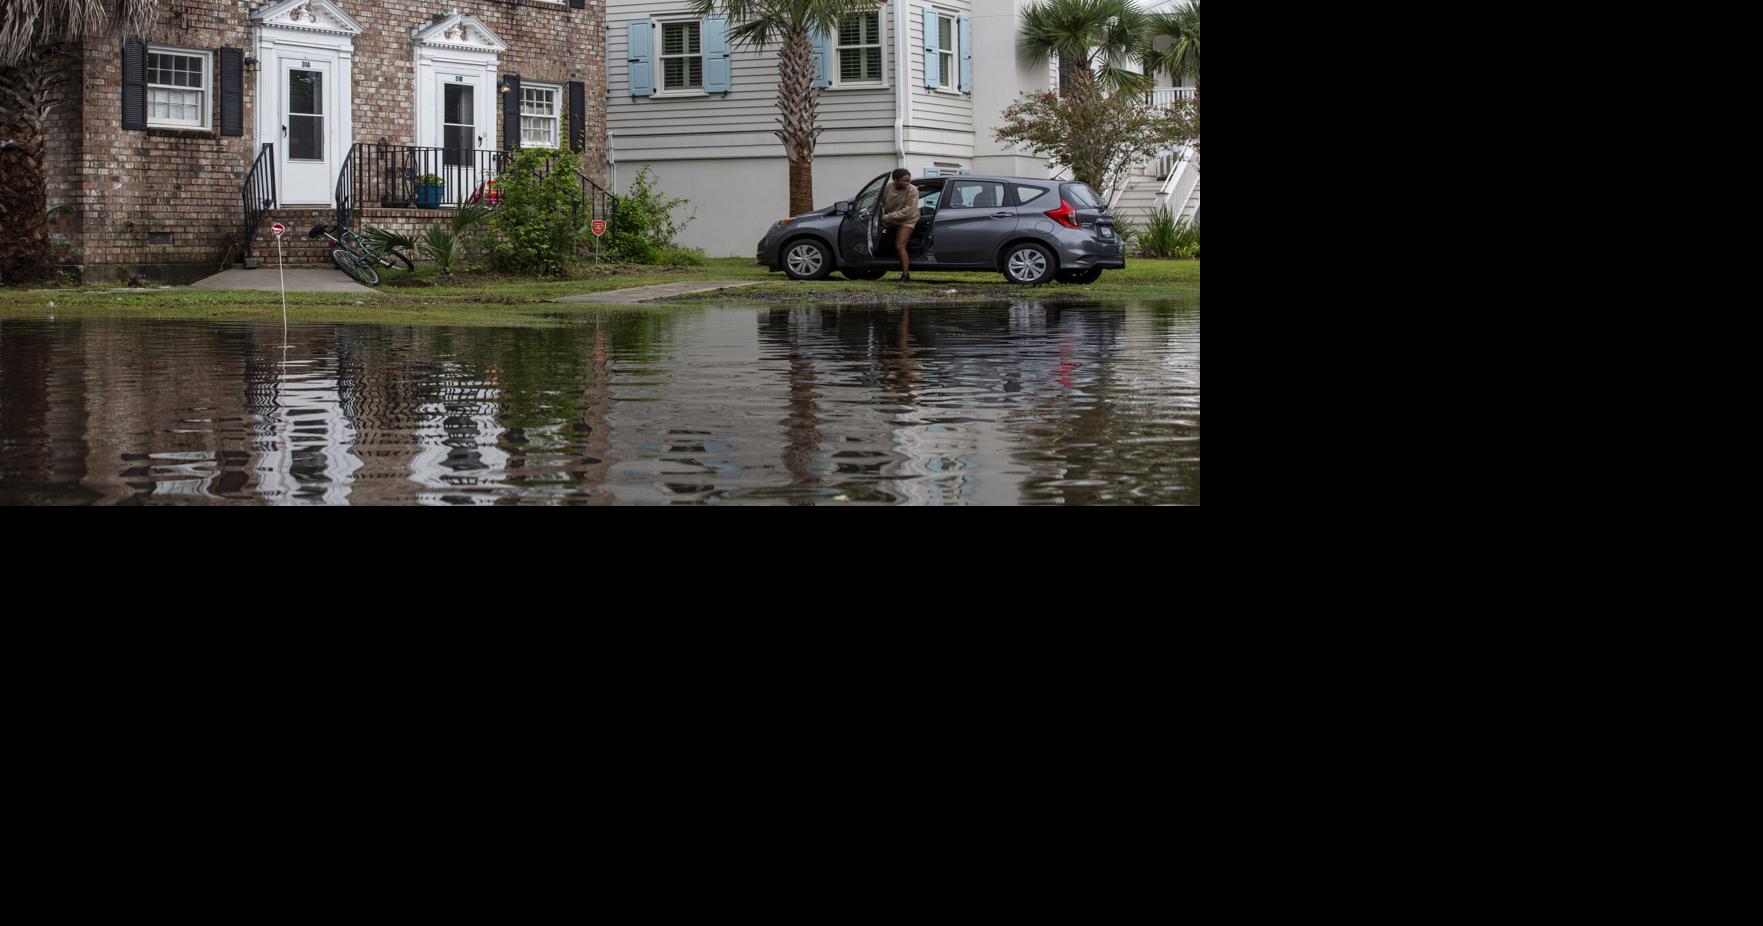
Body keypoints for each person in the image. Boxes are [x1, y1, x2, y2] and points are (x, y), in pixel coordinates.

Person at [879, 169, 920, 282]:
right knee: (883, 242)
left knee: (899, 245)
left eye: (908, 180)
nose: (907, 183)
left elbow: (908, 212)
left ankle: (905, 275)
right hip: (890, 219)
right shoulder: (888, 187)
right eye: (904, 181)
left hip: (907, 220)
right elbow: (879, 201)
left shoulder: (912, 190)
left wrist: (886, 217)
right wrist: (878, 214)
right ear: (895, 180)